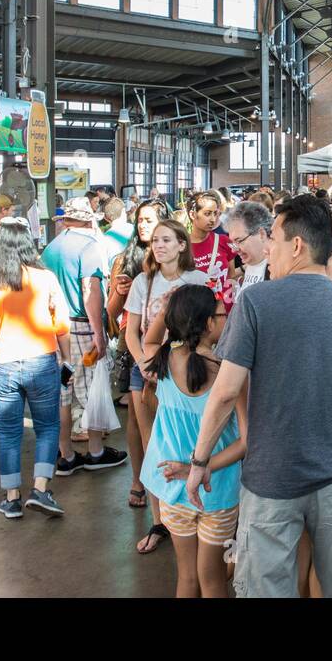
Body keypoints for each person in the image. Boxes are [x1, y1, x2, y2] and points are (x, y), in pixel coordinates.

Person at [185, 195, 332, 598]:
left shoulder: (256, 302)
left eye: (272, 237)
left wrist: (200, 460)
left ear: (297, 245)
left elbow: (225, 393)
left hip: (272, 478)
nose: (266, 247)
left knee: (267, 587)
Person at [141, 285, 246, 597]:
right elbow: (246, 441)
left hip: (171, 487)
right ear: (209, 324)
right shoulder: (229, 373)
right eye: (222, 314)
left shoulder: (161, 362)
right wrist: (200, 467)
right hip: (219, 489)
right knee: (213, 580)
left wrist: (164, 310)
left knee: (187, 579)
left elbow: (147, 339)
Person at [125, 218, 209, 554]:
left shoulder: (198, 281)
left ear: (182, 245)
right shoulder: (143, 282)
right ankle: (161, 522)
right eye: (155, 241)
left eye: (166, 240)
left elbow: (208, 328)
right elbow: (132, 331)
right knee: (154, 444)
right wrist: (144, 363)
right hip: (147, 370)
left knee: (191, 441)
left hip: (187, 371)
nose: (158, 246)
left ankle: (193, 510)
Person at [0, 218, 71, 519]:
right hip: (42, 361)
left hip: (4, 364)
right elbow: (61, 325)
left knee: (8, 432)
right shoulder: (44, 278)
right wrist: (67, 360)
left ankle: (11, 498)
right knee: (47, 427)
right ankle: (41, 488)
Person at [41, 197, 127, 477]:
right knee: (91, 390)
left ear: (65, 220)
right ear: (90, 220)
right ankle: (95, 451)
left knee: (63, 392)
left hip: (55, 331)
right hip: (82, 330)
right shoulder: (89, 247)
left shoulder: (51, 248)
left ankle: (65, 454)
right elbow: (91, 291)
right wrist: (99, 333)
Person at [105, 198, 170, 509]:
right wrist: (121, 293)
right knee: (136, 416)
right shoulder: (125, 259)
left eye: (150, 219)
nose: (144, 225)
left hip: (170, 348)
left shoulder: (175, 261)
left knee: (164, 417)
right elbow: (111, 315)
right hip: (135, 346)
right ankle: (138, 480)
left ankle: (164, 485)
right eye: (140, 220)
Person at [187, 191, 237, 303]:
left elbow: (231, 276)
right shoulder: (182, 247)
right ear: (192, 214)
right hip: (195, 307)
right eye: (207, 214)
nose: (213, 219)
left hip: (224, 308)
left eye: (216, 213)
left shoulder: (225, 241)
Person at [228, 200, 273, 293]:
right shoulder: (253, 262)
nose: (234, 250)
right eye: (233, 243)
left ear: (261, 234)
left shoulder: (276, 271)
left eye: (239, 241)